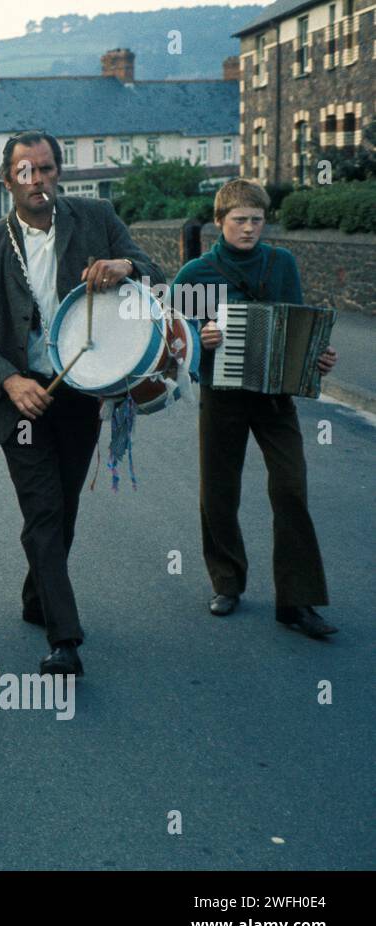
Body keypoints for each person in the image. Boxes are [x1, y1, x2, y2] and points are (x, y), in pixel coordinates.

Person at [0, 131, 163, 677]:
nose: (37, 180)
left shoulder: (96, 217)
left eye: (46, 169)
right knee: (43, 508)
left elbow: (153, 271)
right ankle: (64, 638)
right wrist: (8, 381)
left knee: (63, 507)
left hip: (81, 392)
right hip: (21, 401)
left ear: (58, 173)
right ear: (8, 181)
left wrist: (125, 267)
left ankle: (35, 595)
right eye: (26, 172)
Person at [171, 179, 338, 638]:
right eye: (240, 220)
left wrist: (318, 357)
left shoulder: (281, 264)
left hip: (275, 395)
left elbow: (296, 325)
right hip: (222, 396)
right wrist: (202, 345)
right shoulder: (196, 276)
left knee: (291, 488)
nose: (249, 229)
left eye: (257, 220)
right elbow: (174, 348)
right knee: (219, 492)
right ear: (219, 221)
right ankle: (226, 582)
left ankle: (297, 601)